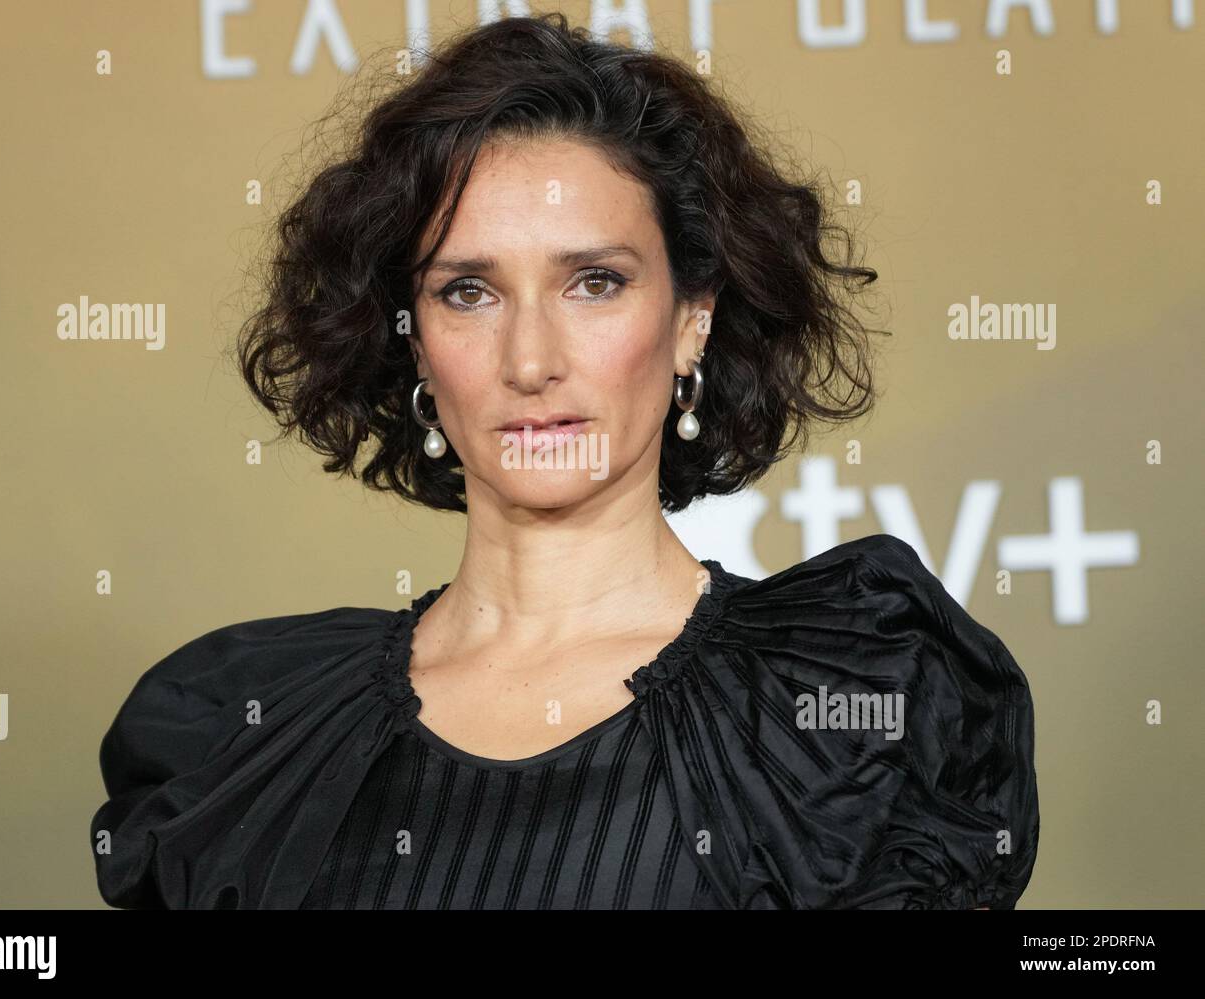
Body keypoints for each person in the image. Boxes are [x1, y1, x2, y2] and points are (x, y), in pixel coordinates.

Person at [89, 12, 1039, 909]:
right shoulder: (252, 732)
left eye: (594, 282)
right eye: (468, 291)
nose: (531, 360)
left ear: (692, 319)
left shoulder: (848, 709)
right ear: (413, 341)